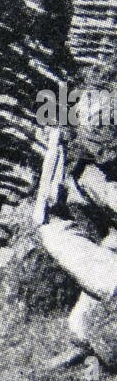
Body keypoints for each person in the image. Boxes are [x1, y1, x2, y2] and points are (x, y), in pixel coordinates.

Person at [36, 93, 117, 364]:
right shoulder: (81, 174)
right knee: (107, 286)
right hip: (81, 238)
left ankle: (88, 337)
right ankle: (87, 339)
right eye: (97, 139)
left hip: (106, 237)